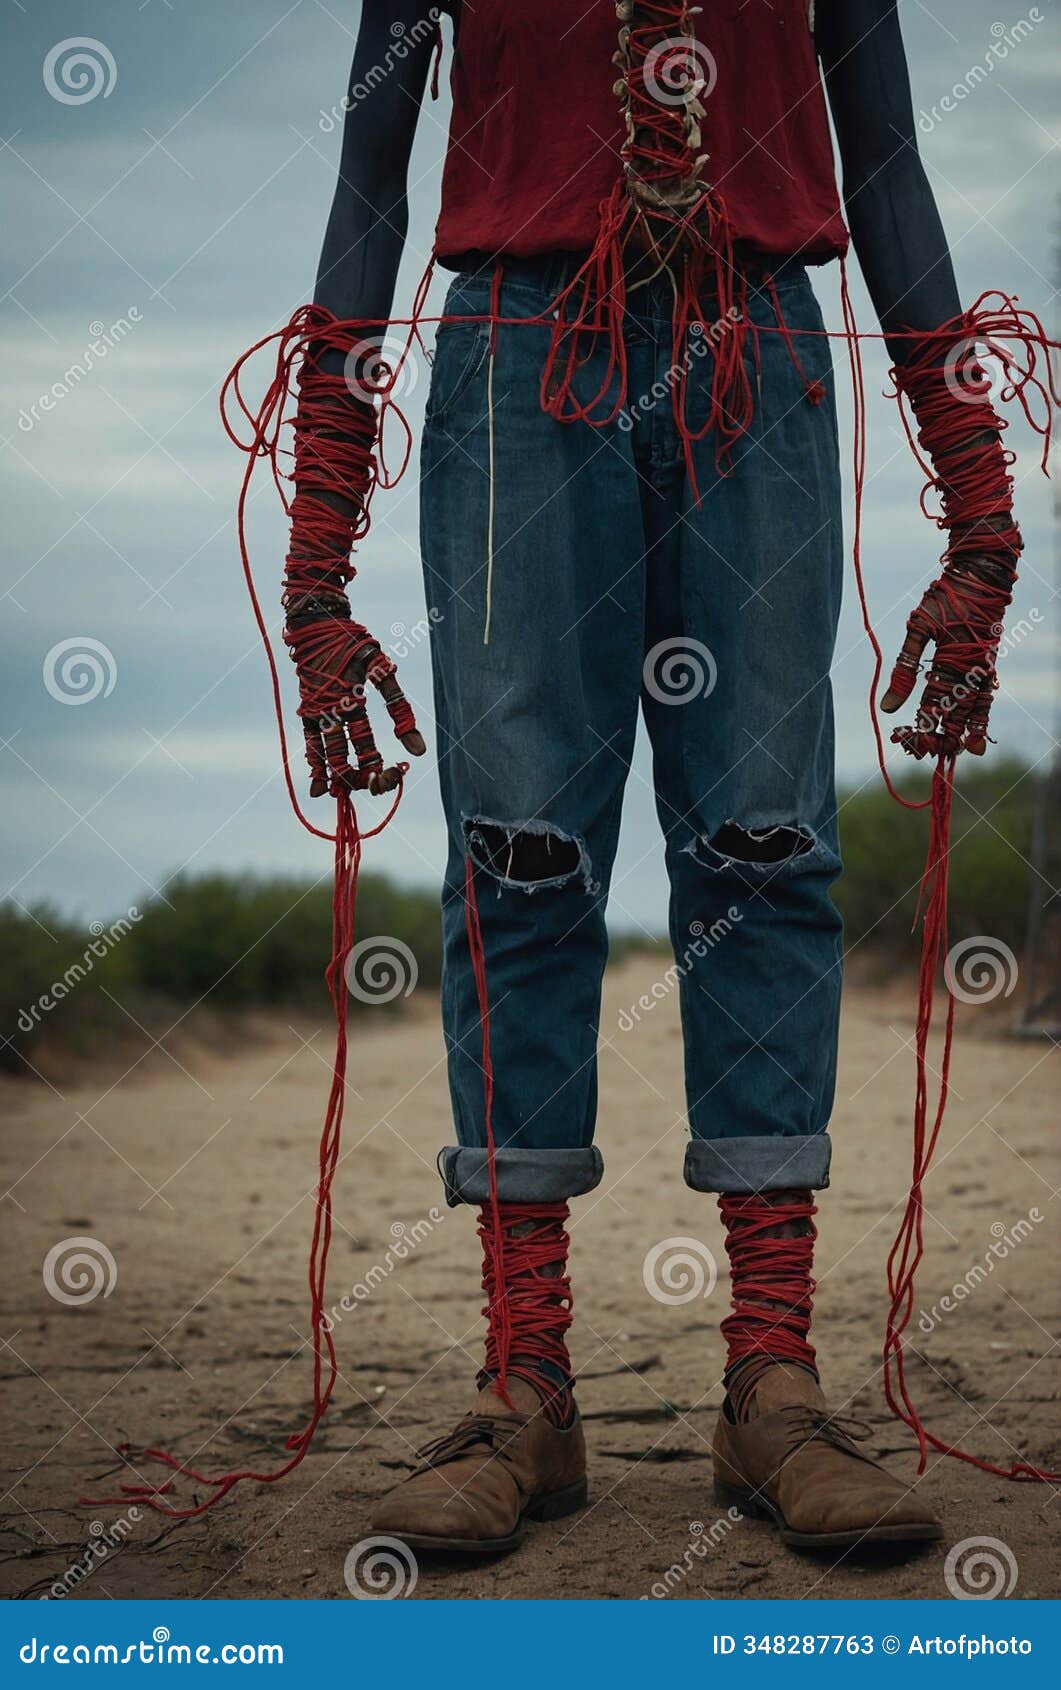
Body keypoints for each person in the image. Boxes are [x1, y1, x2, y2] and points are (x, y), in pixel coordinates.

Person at [282, 0, 1024, 1557]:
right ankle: (524, 1386)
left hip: (756, 346)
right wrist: (315, 558)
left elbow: (882, 159)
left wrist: (978, 504)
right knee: (518, 850)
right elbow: (371, 181)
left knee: (765, 848)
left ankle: (768, 1379)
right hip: (509, 353)